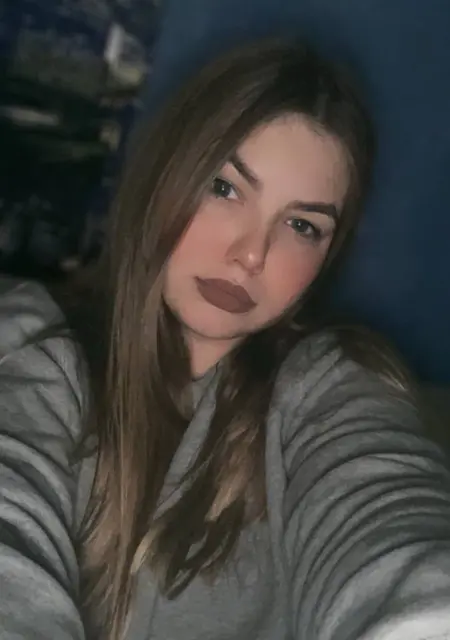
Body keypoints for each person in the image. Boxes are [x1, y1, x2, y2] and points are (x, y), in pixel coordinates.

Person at [1, 39, 450, 640]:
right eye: (224, 188)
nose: (251, 254)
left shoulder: (330, 384)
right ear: (165, 176)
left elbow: (387, 522)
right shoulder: (36, 344)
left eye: (302, 225)